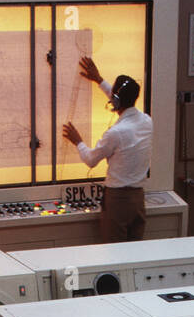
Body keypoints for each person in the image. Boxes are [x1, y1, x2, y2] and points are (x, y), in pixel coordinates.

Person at [61, 57, 153, 243]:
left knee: (115, 255)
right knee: (136, 256)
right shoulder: (147, 121)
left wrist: (78, 141)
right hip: (138, 200)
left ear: (116, 101)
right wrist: (99, 80)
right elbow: (120, 98)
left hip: (118, 202)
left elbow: (90, 160)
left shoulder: (116, 133)